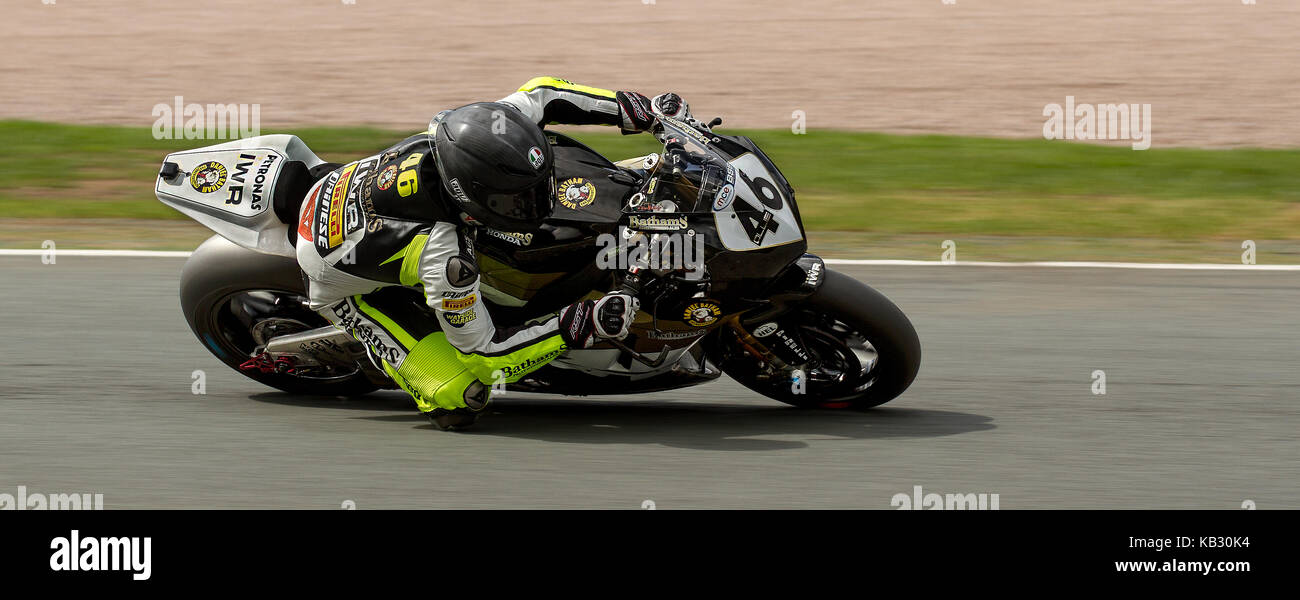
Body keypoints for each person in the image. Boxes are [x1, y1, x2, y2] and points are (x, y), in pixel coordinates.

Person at [294, 77, 690, 430]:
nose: (535, 204)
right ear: (471, 201)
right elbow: (485, 355)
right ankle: (384, 351)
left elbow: (544, 93)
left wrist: (641, 111)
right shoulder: (443, 257)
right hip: (338, 279)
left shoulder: (477, 128)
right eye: (515, 202)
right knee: (463, 398)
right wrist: (576, 324)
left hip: (348, 198)